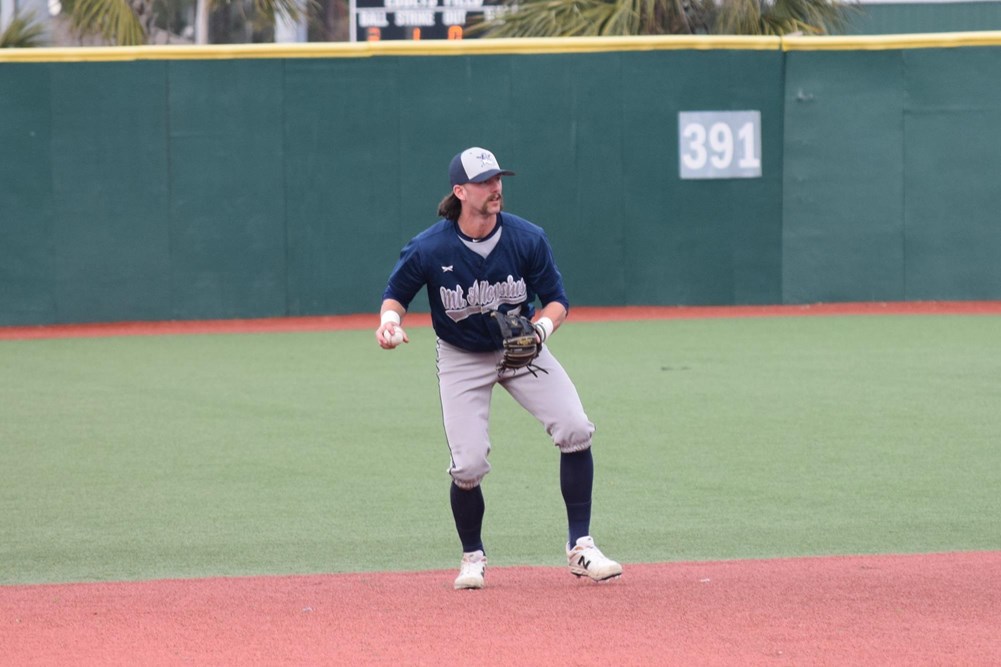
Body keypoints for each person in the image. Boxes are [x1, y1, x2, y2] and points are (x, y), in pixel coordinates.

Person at [375, 146, 622, 590]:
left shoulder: (527, 238)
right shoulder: (430, 246)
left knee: (575, 427)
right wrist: (389, 323)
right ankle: (473, 557)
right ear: (460, 191)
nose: (495, 187)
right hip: (461, 356)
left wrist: (541, 332)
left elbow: (557, 302)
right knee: (468, 466)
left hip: (522, 350)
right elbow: (397, 293)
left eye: (497, 178)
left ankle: (581, 546)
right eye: (485, 181)